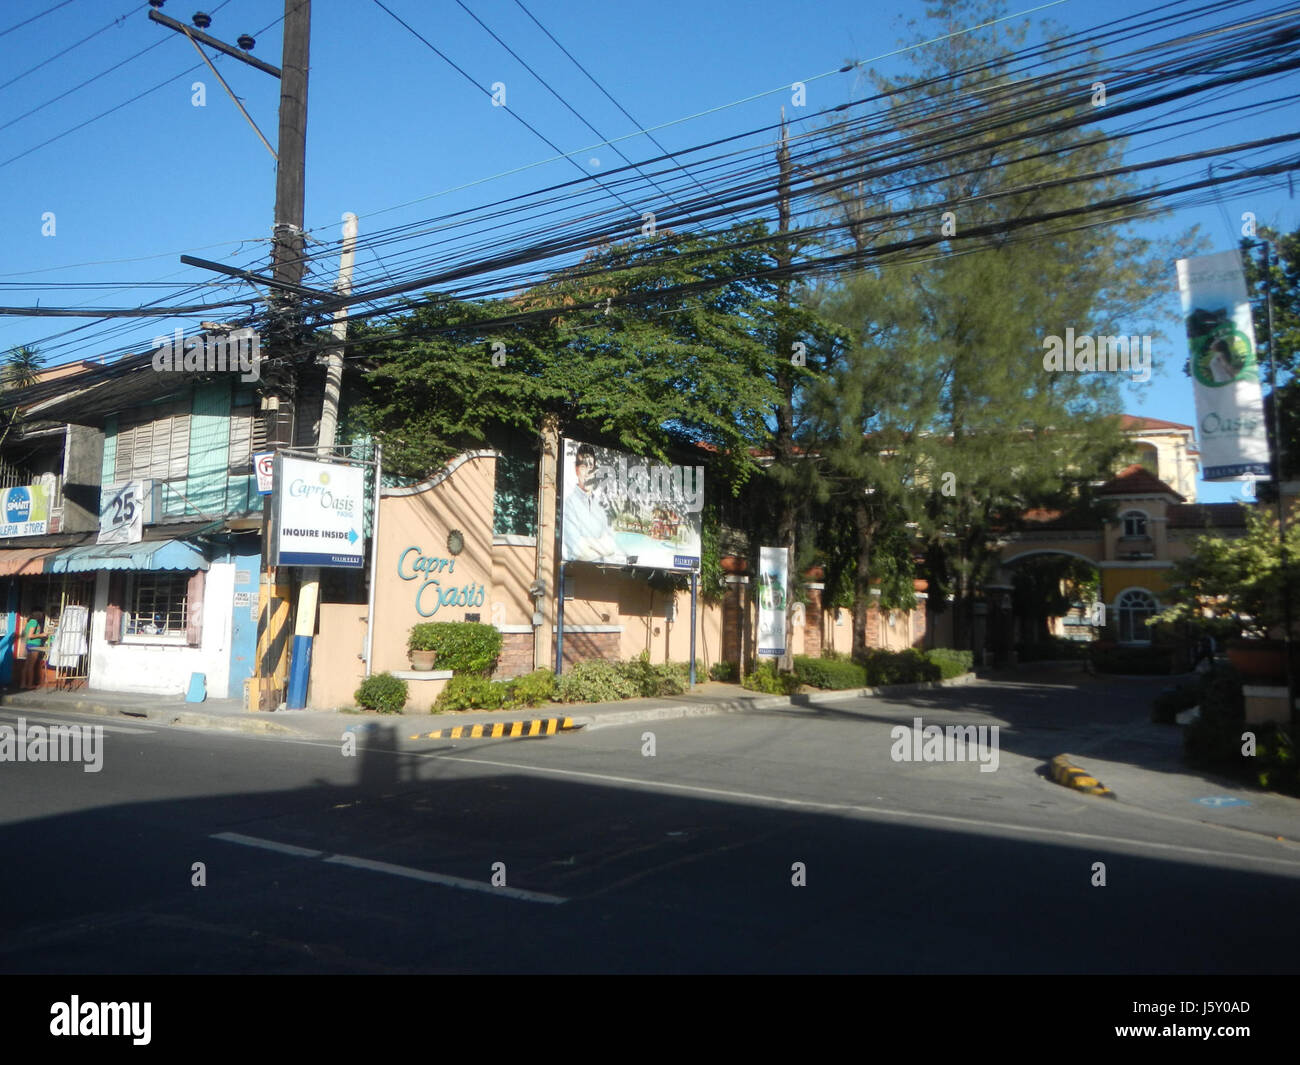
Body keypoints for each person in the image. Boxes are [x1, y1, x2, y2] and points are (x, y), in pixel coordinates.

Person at [563, 444, 622, 563]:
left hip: (601, 572)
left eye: (591, 467)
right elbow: (578, 551)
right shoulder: (569, 504)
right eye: (583, 467)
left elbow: (611, 547)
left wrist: (587, 541)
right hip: (577, 570)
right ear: (576, 469)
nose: (587, 472)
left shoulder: (600, 505)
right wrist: (600, 544)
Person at [21, 609, 47, 689]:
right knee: (31, 666)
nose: (43, 615)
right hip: (34, 645)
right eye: (42, 614)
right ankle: (29, 684)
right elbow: (30, 635)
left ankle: (22, 684)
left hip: (29, 645)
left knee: (26, 666)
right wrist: (42, 635)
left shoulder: (29, 622)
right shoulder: (34, 622)